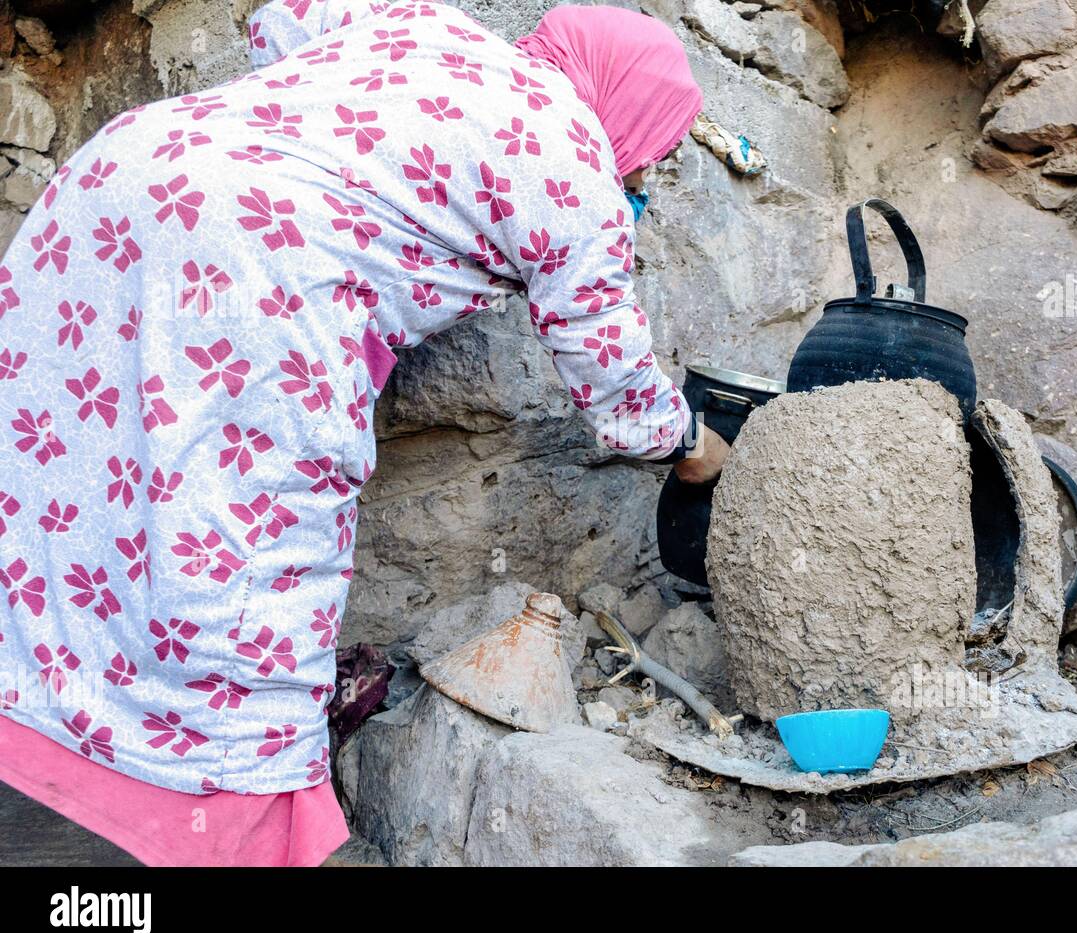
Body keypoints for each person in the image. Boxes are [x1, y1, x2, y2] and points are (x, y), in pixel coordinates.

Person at [0, 0, 728, 866]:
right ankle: (221, 818)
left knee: (71, 479)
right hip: (250, 257)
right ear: (626, 101)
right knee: (246, 540)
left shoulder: (430, 30)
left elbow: (280, 19)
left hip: (113, 186)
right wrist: (693, 445)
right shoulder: (574, 162)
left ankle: (39, 729)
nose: (646, 172)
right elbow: (616, 389)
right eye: (656, 150)